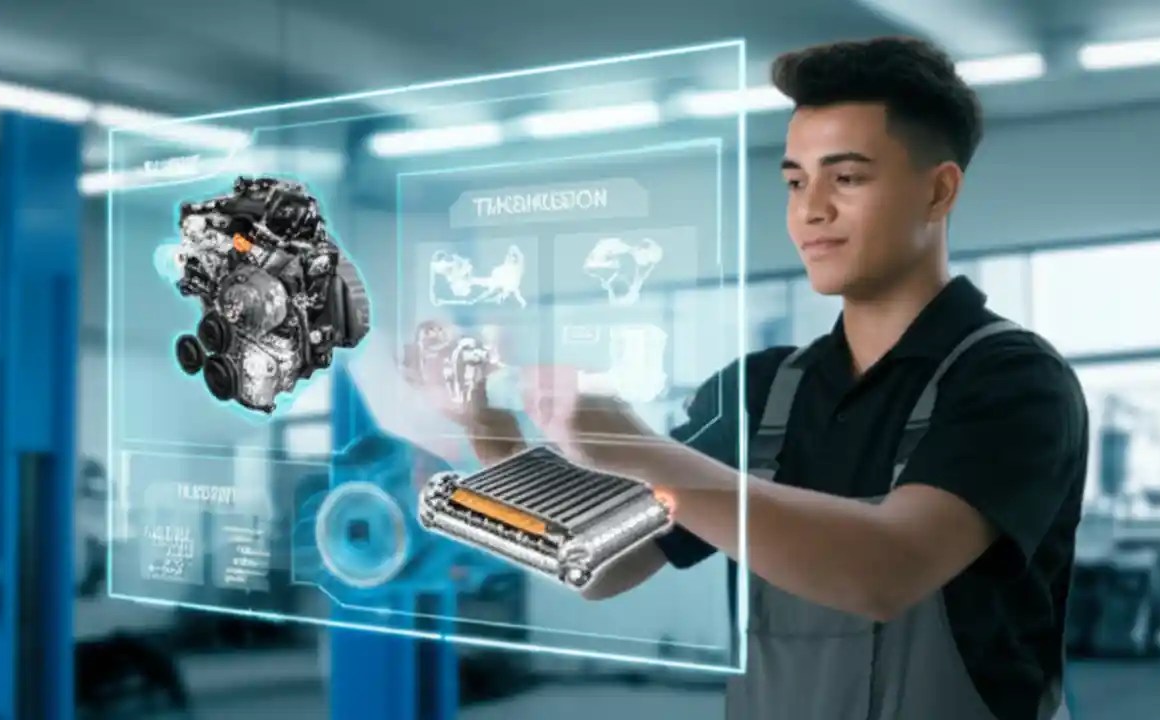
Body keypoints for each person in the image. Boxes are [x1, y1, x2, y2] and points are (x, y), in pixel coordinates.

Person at [446, 35, 1089, 720]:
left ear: (938, 190)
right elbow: (600, 567)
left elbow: (886, 569)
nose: (811, 210)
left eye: (847, 178)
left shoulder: (1013, 382)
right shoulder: (759, 392)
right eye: (795, 181)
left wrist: (639, 450)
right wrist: (489, 432)